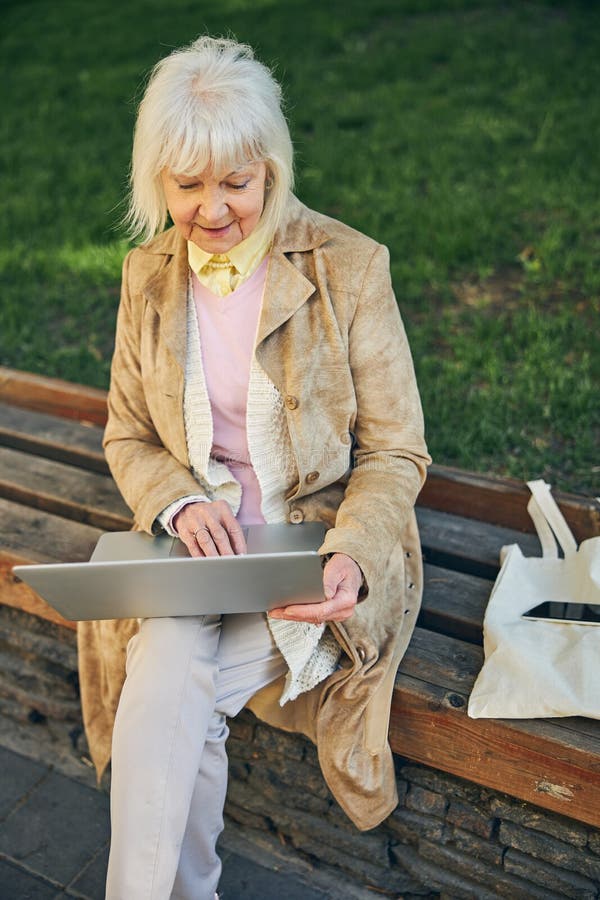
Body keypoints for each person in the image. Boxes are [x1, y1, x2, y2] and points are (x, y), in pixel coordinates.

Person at [77, 34, 431, 900]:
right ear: (157, 180)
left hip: (313, 553)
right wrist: (175, 503)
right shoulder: (146, 274)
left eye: (235, 182)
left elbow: (396, 451)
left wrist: (354, 554)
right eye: (187, 185)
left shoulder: (350, 267)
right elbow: (128, 435)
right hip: (199, 553)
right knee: (170, 683)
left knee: (169, 701)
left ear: (271, 167)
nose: (212, 210)